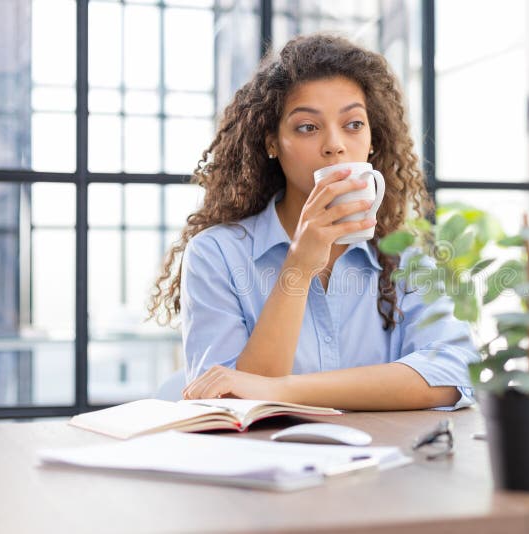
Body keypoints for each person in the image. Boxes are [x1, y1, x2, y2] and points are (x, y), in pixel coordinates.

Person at [148, 34, 478, 410]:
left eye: (353, 124)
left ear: (372, 140)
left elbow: (453, 372)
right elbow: (225, 399)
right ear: (272, 142)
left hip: (380, 464)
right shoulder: (216, 254)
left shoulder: (408, 260)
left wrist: (287, 391)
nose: (334, 144)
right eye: (308, 127)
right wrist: (300, 265)